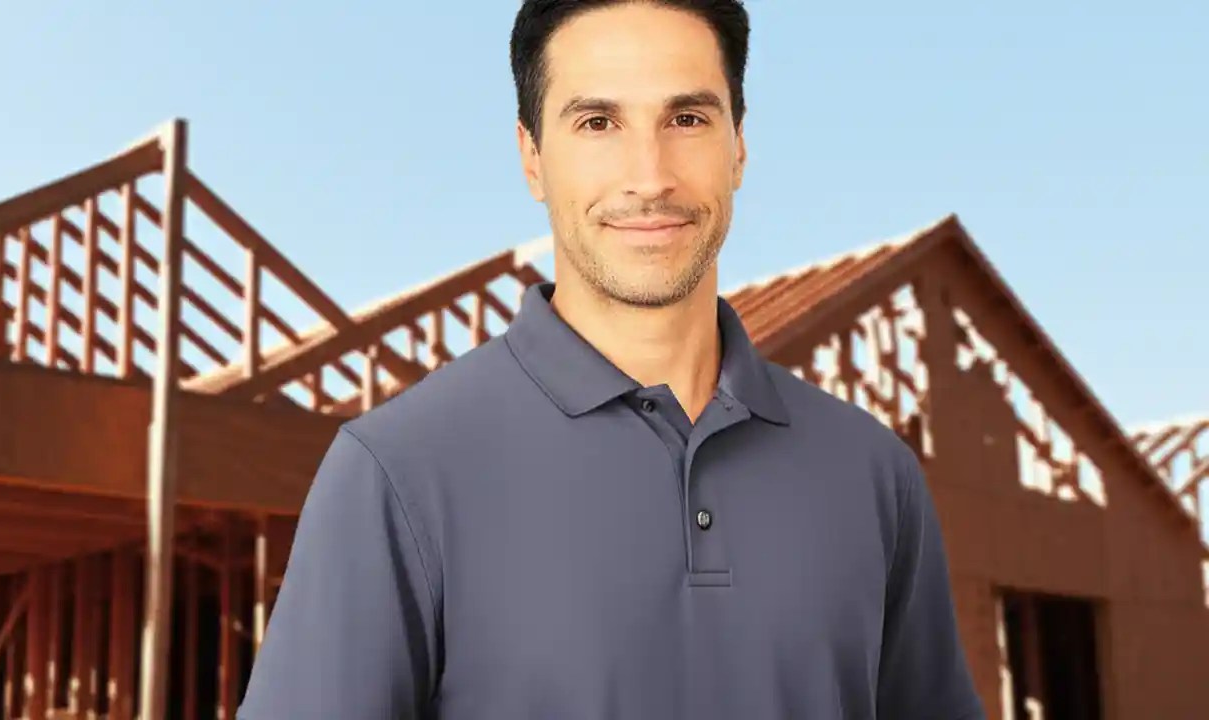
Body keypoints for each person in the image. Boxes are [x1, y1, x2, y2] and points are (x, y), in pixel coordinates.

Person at [239, 1, 985, 718]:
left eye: (687, 119)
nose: (649, 174)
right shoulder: (397, 472)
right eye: (598, 122)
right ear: (532, 158)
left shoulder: (871, 473)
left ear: (740, 148)